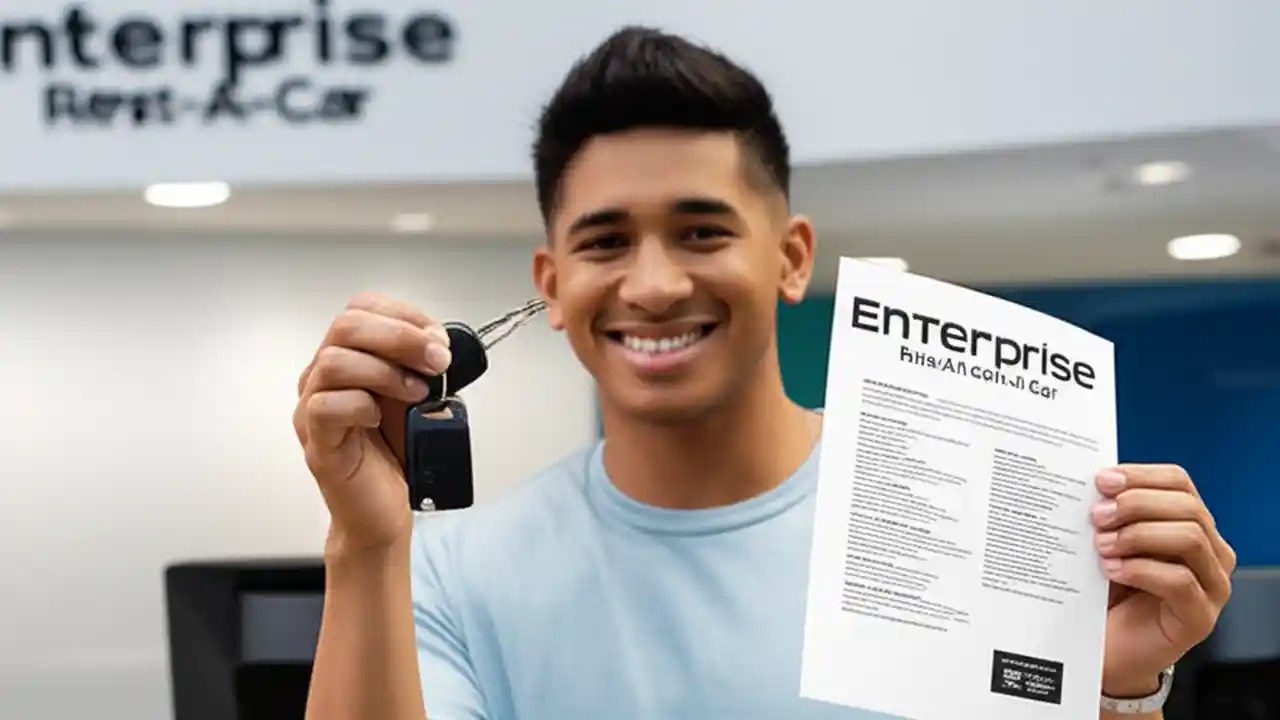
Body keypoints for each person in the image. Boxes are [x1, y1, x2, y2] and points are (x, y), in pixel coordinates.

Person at [293, 26, 1236, 720]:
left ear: (791, 258)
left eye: (702, 232)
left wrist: (1112, 688)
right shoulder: (449, 574)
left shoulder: (960, 526)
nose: (655, 284)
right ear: (554, 283)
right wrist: (364, 545)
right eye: (607, 241)